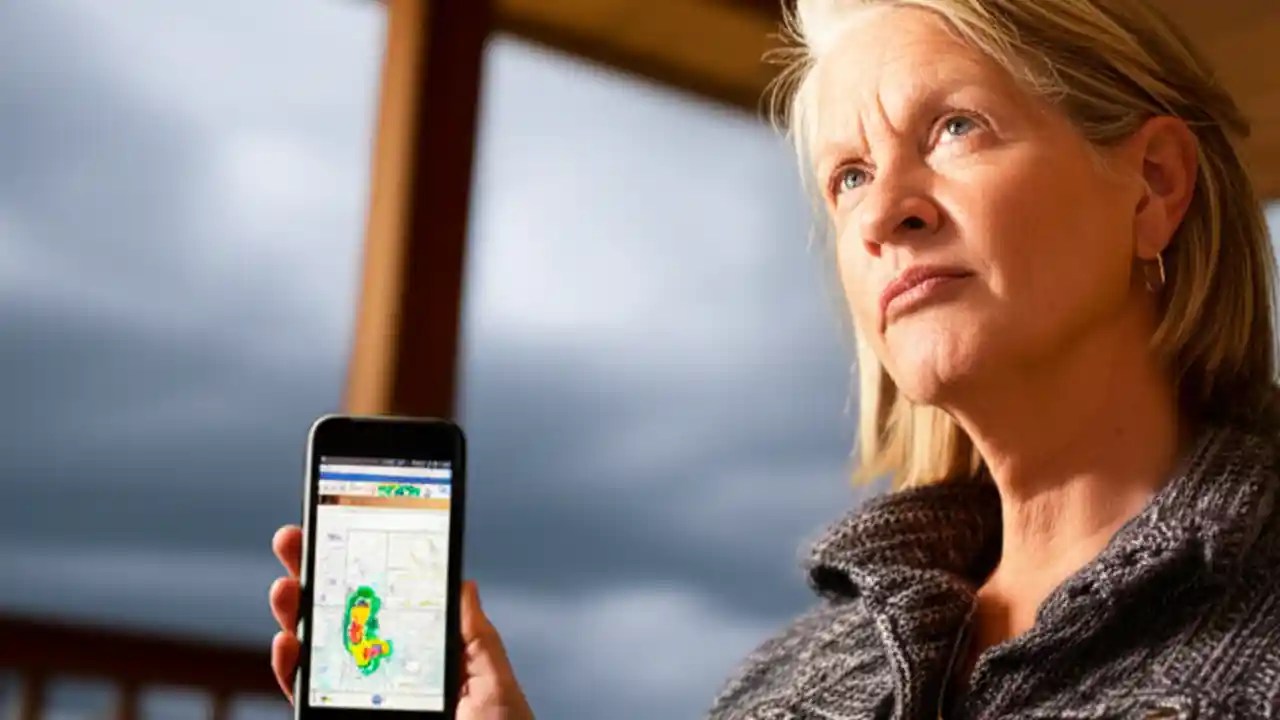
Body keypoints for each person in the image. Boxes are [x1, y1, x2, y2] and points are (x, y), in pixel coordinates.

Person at [269, 0, 1280, 716]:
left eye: (955, 126)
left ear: (1151, 183)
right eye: (846, 178)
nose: (885, 211)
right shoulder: (783, 683)